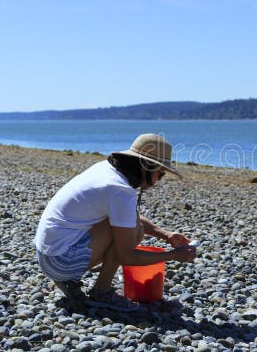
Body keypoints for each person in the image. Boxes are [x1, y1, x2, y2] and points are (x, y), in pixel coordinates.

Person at [34, 133, 196, 311]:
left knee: (132, 226)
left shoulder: (106, 170)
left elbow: (123, 218)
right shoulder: (120, 190)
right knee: (135, 231)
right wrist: (173, 255)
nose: (159, 180)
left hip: (47, 255)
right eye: (161, 174)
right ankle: (101, 292)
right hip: (60, 262)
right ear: (147, 166)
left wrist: (166, 235)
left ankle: (70, 280)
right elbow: (126, 255)